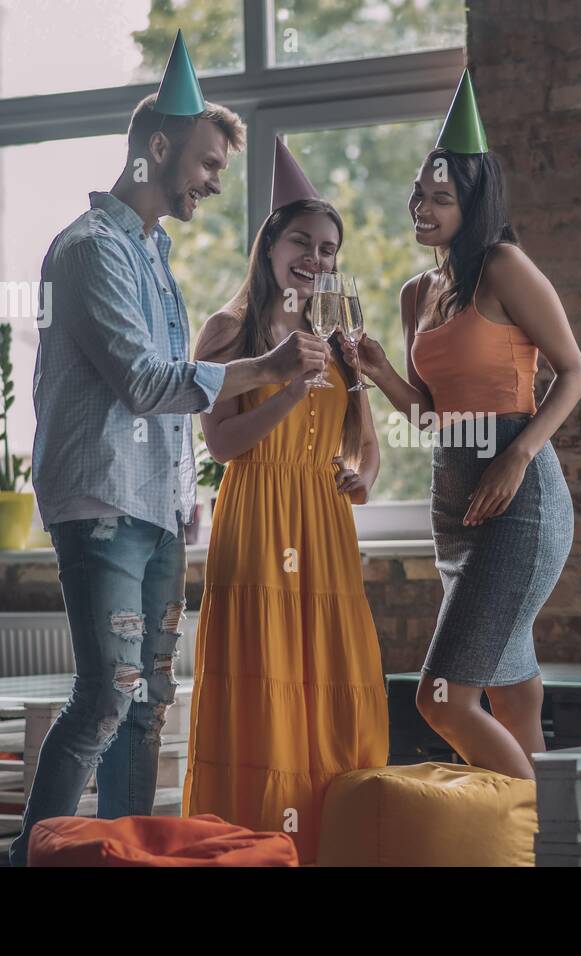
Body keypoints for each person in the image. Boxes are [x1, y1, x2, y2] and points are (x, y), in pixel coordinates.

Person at [9, 35, 326, 867]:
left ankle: (127, 858)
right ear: (157, 149)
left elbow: (172, 409)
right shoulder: (90, 250)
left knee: (146, 703)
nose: (216, 181)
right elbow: (146, 384)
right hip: (103, 505)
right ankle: (30, 859)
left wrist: (186, 495)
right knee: (105, 700)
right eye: (209, 163)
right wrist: (267, 367)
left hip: (156, 510)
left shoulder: (155, 256)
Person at [346, 70, 581, 779]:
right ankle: (544, 847)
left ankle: (516, 824)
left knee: (442, 698)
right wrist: (382, 370)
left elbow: (574, 370)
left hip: (520, 500)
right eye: (419, 193)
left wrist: (518, 457)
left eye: (441, 198)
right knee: (513, 694)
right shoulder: (416, 292)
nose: (422, 207)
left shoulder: (505, 267)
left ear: (473, 203)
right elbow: (430, 414)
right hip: (453, 503)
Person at [181, 138, 388, 863]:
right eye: (303, 240)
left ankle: (335, 847)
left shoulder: (339, 337)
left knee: (331, 680)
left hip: (324, 528)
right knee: (263, 689)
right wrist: (290, 390)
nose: (317, 257)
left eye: (329, 247)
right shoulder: (226, 331)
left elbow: (368, 443)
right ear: (270, 243)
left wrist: (363, 475)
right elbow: (223, 445)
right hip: (257, 522)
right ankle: (252, 845)